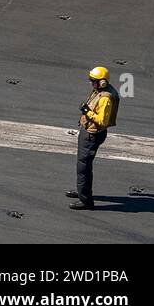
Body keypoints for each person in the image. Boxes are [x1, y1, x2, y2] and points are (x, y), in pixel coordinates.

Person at [66, 66, 119, 210]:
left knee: (83, 167)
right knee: (83, 165)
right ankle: (82, 191)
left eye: (93, 81)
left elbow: (102, 121)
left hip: (92, 135)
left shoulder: (105, 98)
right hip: (89, 131)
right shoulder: (101, 90)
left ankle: (86, 201)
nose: (91, 83)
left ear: (102, 82)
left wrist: (87, 112)